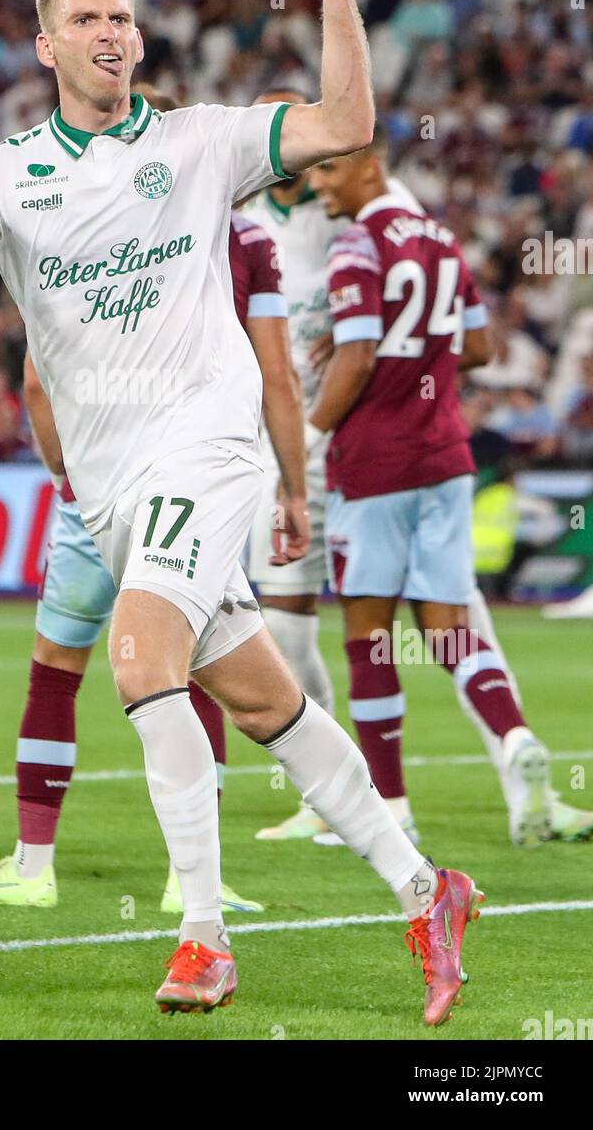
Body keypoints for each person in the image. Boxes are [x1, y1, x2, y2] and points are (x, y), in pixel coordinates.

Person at [0, 0, 482, 1026]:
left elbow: (345, 122)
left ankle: (204, 938)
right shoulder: (4, 174)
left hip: (207, 442)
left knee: (138, 656)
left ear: (140, 38)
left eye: (124, 18)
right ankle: (424, 885)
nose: (111, 34)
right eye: (88, 19)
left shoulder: (202, 141)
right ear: (46, 43)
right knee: (263, 701)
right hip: (111, 487)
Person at [0, 84, 308, 915]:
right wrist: (293, 487)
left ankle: (34, 865)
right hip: (198, 481)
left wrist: (64, 474)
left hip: (101, 483)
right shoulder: (246, 237)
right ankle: (193, 882)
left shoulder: (83, 214)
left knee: (57, 670)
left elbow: (42, 378)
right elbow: (277, 373)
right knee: (203, 665)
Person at [247, 102, 592, 845]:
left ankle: (390, 806)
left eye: (333, 167)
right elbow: (480, 347)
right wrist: (420, 361)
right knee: (448, 625)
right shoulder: (437, 238)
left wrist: (310, 432)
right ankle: (514, 742)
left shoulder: (356, 246)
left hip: (369, 461)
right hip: (446, 457)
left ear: (370, 166)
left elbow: (359, 355)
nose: (323, 181)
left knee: (369, 637)